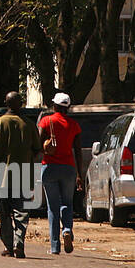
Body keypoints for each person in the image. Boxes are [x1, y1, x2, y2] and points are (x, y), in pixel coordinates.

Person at [0, 92, 40, 258]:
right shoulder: (29, 125)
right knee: (21, 212)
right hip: (24, 176)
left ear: (5, 102)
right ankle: (19, 244)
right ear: (21, 104)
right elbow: (39, 153)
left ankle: (9, 246)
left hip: (2, 178)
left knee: (4, 213)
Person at [38, 91, 85, 254]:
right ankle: (67, 228)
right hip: (69, 169)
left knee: (52, 207)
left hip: (49, 167)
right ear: (68, 107)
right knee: (67, 203)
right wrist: (79, 174)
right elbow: (78, 152)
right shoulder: (74, 125)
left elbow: (38, 144)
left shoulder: (46, 121)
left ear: (55, 106)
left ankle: (54, 246)